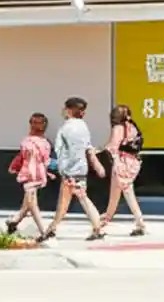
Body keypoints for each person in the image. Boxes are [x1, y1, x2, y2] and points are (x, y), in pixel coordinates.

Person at [44, 97, 107, 241]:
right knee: (82, 198)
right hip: (81, 169)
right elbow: (88, 148)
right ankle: (97, 227)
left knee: (63, 204)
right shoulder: (83, 127)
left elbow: (60, 151)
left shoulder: (65, 128)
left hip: (68, 171)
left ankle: (51, 229)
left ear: (69, 110)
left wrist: (57, 166)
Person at [100, 104, 147, 236]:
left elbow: (113, 146)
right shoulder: (132, 127)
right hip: (134, 162)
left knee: (126, 192)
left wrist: (98, 151)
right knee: (116, 192)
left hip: (122, 162)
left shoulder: (118, 128)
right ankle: (106, 219)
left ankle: (139, 221)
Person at [5, 112, 53, 242]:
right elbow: (24, 157)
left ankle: (14, 221)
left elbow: (42, 160)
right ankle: (43, 231)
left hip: (34, 175)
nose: (37, 125)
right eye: (35, 122)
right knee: (32, 203)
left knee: (29, 202)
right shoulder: (41, 143)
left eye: (39, 122)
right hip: (32, 176)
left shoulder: (33, 142)